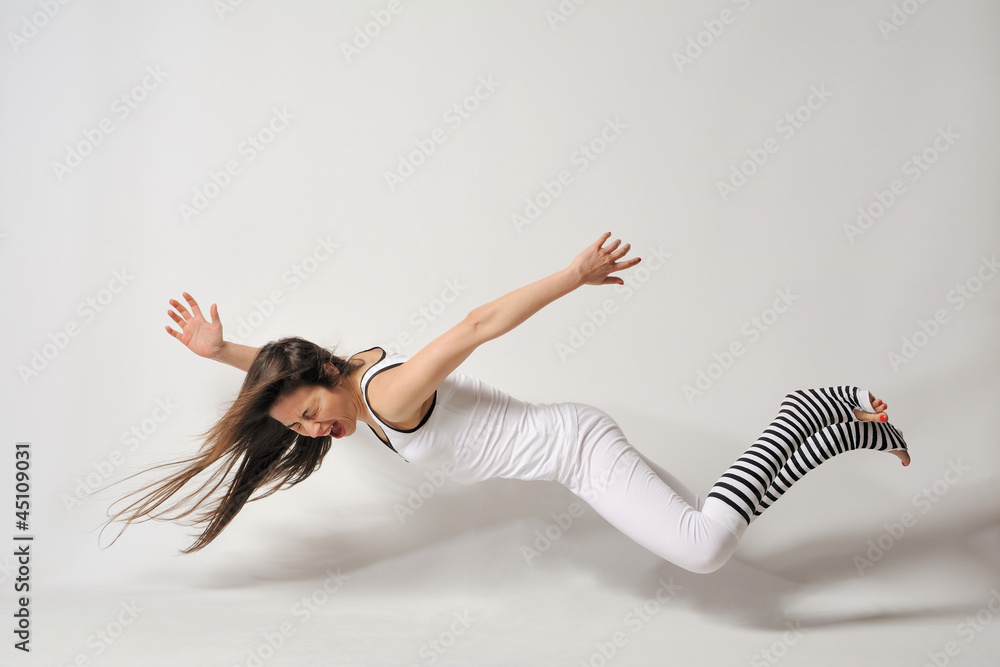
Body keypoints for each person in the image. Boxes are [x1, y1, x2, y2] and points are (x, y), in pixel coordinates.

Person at [106, 233, 909, 572]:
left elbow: (477, 324)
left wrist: (573, 274)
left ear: (324, 376)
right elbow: (291, 374)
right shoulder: (347, 370)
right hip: (576, 450)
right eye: (302, 426)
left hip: (581, 450)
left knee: (705, 546)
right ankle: (837, 418)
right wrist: (228, 353)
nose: (318, 429)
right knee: (711, 521)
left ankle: (811, 414)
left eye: (313, 412)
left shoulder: (387, 391)